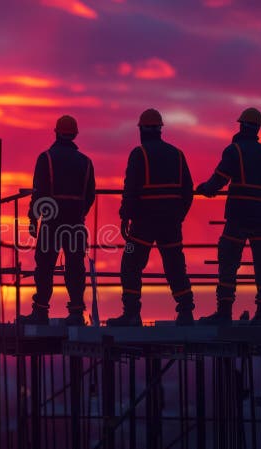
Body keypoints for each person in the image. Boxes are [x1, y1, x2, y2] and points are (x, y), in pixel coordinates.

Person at [107, 109, 195, 327]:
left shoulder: (139, 154)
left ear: (142, 130)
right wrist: (179, 215)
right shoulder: (177, 154)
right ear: (159, 129)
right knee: (175, 265)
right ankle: (185, 312)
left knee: (129, 263)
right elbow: (188, 190)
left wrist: (125, 217)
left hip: (142, 225)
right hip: (170, 223)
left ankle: (131, 314)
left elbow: (130, 189)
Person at [197, 107, 261, 324]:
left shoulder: (234, 150)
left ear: (241, 126)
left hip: (239, 217)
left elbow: (219, 179)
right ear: (257, 129)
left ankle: (224, 312)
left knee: (228, 260)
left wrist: (205, 189)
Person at [19, 115, 95, 326]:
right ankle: (76, 313)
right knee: (75, 266)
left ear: (56, 132)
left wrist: (34, 218)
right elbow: (90, 195)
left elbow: (39, 193)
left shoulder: (47, 158)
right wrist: (80, 212)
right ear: (75, 134)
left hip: (52, 222)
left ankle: (41, 311)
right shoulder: (86, 162)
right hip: (75, 222)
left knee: (44, 266)